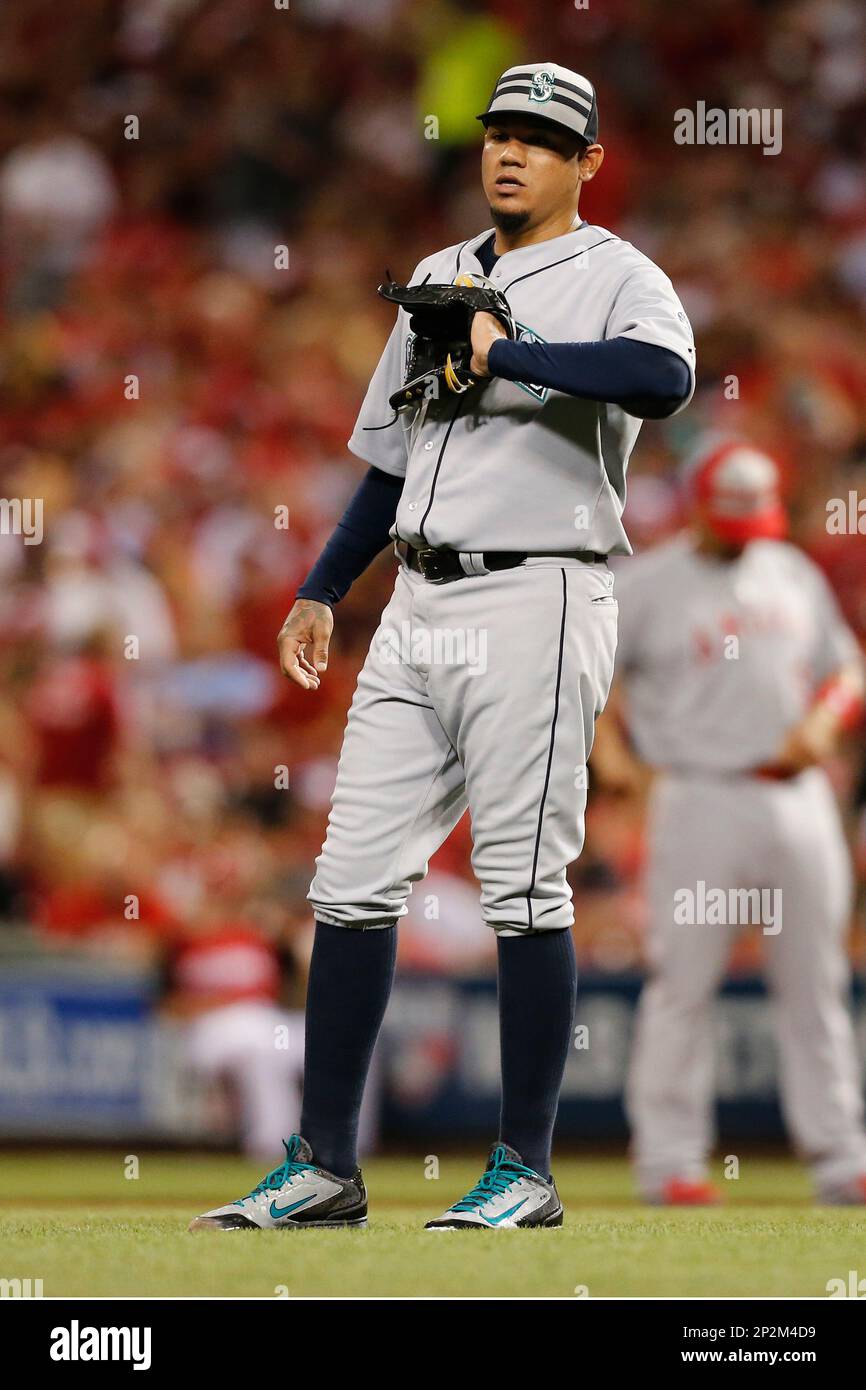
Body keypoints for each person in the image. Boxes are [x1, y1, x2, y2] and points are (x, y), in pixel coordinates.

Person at [190, 61, 694, 1232]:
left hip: (542, 593)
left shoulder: (618, 274)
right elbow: (389, 455)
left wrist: (505, 351)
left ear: (586, 161)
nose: (510, 152)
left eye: (538, 137)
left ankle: (523, 1166)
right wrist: (323, 586)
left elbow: (663, 377)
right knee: (349, 878)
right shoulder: (437, 275)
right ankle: (322, 1164)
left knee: (521, 884)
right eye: (497, 133)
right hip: (417, 599)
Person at [591, 438, 866, 1205]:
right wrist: (608, 746)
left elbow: (848, 670)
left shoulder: (790, 570)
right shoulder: (646, 585)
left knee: (816, 982)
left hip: (796, 794)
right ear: (697, 508)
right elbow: (587, 677)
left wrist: (824, 722)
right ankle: (669, 1162)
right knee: (684, 983)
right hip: (700, 793)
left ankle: (842, 1159)